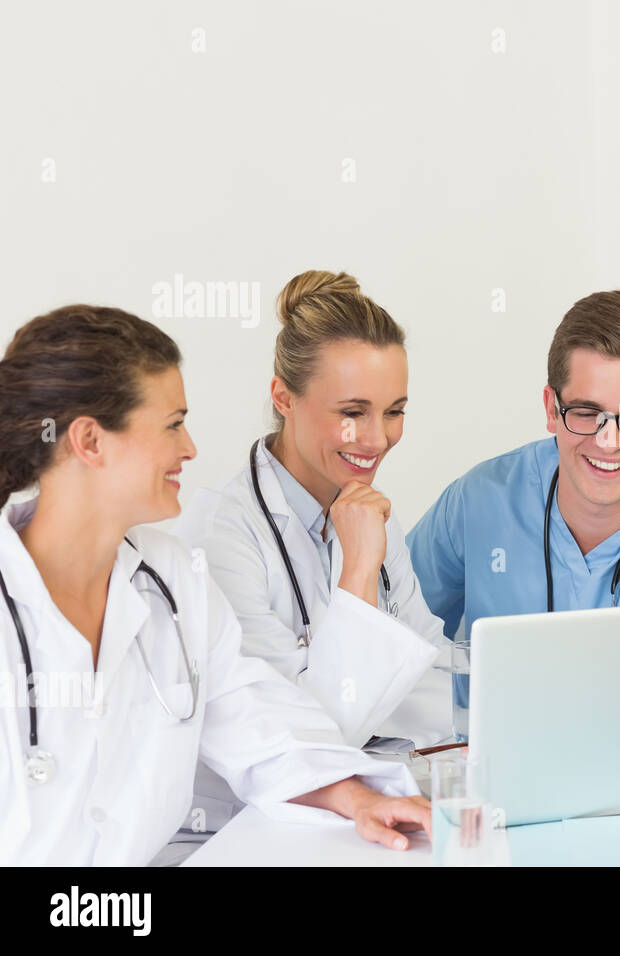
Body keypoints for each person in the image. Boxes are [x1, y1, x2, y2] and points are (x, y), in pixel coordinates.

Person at [0, 305, 431, 865]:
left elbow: (257, 722)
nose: (191, 449)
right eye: (173, 424)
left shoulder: (172, 582)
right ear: (89, 441)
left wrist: (356, 798)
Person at [174, 270, 452, 839]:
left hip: (358, 807)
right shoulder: (222, 535)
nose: (376, 439)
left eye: (394, 410)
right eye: (352, 412)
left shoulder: (365, 508)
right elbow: (309, 738)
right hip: (247, 830)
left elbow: (427, 665)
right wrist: (358, 569)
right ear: (284, 397)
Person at [406, 290, 620, 645]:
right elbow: (394, 639)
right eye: (585, 413)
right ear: (551, 409)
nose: (609, 442)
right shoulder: (479, 500)